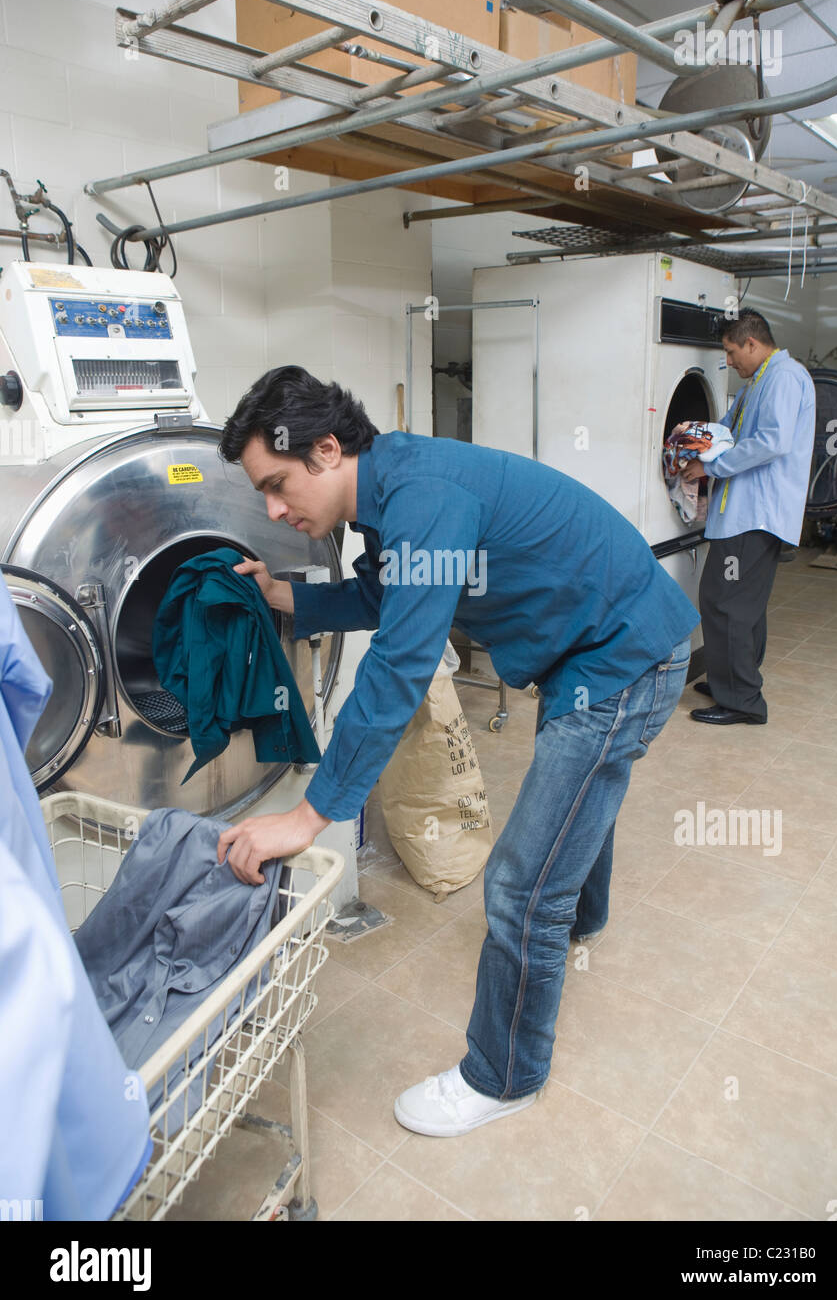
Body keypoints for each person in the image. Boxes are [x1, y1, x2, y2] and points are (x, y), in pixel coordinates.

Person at [215, 366, 699, 1138]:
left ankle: (504, 1076)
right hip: (591, 650)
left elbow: (400, 665)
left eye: (277, 485)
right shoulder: (393, 492)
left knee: (516, 884)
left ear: (328, 450)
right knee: (573, 806)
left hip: (623, 656)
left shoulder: (423, 499)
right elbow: (384, 594)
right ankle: (578, 919)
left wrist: (310, 815)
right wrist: (291, 597)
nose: (274, 508)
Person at [681, 309, 816, 726]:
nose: (730, 361)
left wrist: (711, 468)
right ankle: (732, 679)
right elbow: (731, 431)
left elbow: (772, 441)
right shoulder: (760, 380)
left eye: (732, 352)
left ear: (753, 344)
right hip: (742, 513)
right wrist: (693, 440)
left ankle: (741, 700)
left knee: (725, 603)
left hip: (754, 515)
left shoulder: (784, 377)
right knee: (742, 605)